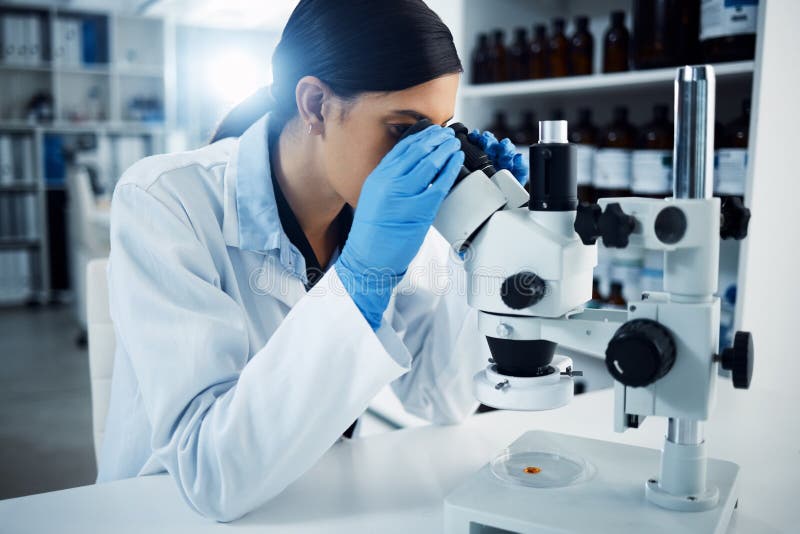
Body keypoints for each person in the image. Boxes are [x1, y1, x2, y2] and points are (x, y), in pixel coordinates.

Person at [98, 0, 528, 522]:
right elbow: (209, 471)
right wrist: (359, 280)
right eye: (403, 131)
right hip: (167, 514)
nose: (427, 160)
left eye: (441, 132)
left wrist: (484, 243)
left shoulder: (392, 213)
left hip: (316, 500)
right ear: (315, 103)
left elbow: (442, 399)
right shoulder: (166, 200)